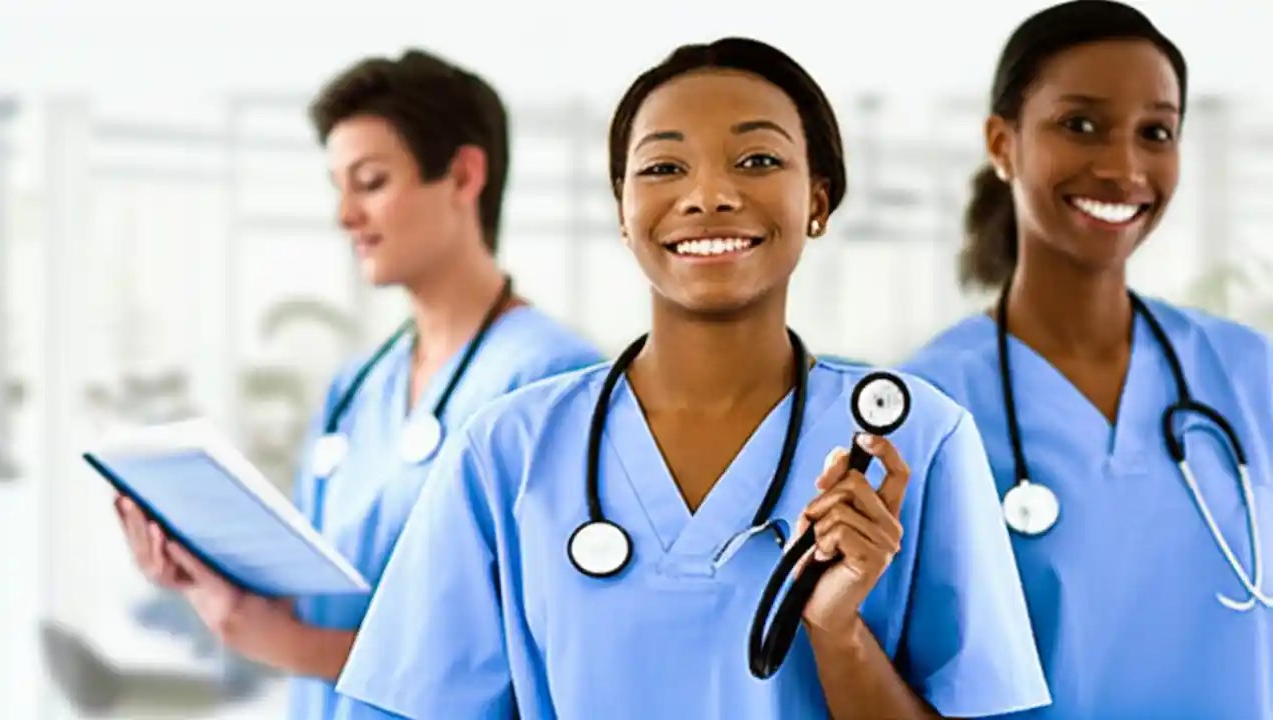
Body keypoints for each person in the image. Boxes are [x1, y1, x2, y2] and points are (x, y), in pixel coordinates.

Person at [333, 37, 1049, 720]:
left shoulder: (914, 439)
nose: (709, 195)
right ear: (622, 210)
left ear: (819, 201)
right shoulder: (508, 450)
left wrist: (838, 632)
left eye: (759, 159)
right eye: (664, 168)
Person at [111, 48, 604, 720]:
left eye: (370, 181)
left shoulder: (556, 382)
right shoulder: (356, 389)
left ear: (463, 175)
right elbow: (315, 593)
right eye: (337, 187)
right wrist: (210, 583)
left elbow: (542, 652)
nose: (345, 215)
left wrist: (288, 645)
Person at [902, 2, 1273, 718]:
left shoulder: (1249, 373)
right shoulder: (930, 406)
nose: (1123, 165)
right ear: (1002, 143)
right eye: (1081, 125)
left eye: (1155, 132)